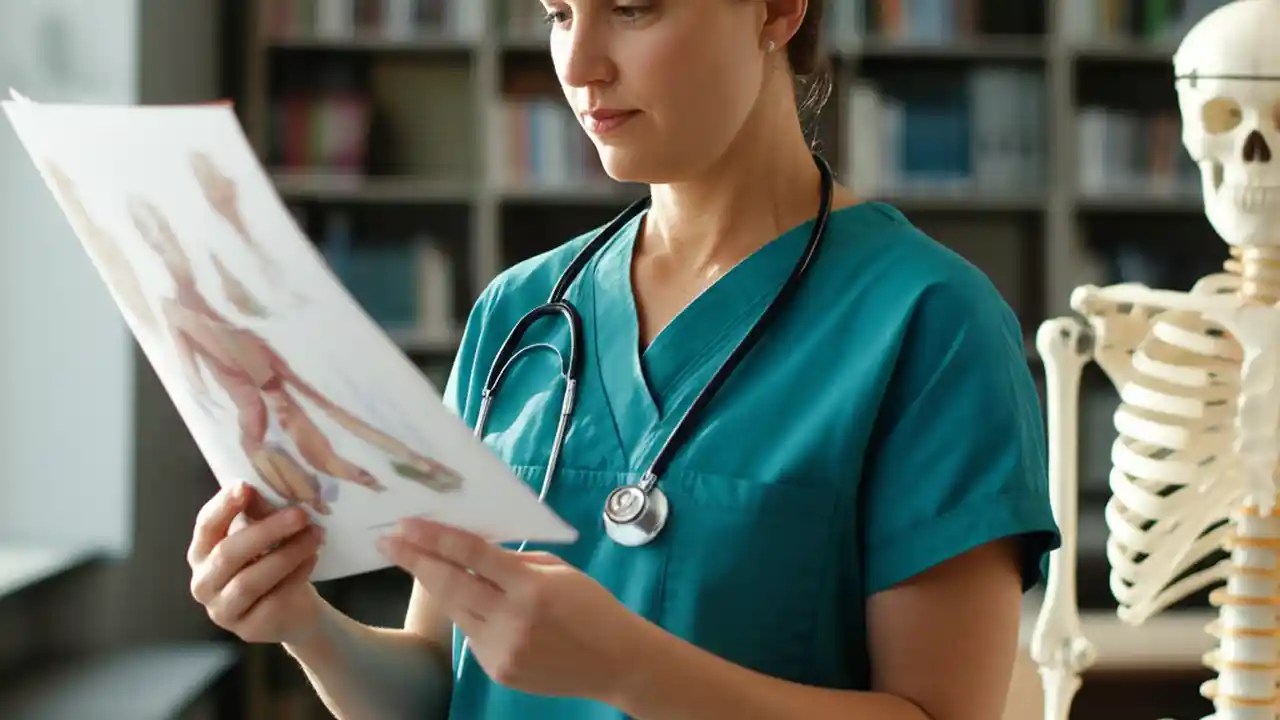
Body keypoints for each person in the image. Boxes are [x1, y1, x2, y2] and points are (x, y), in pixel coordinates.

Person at [186, 1, 1061, 718]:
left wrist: (631, 671)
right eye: (560, 13)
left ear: (779, 10)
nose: (578, 65)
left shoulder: (930, 324)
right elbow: (441, 688)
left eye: (632, 9)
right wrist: (303, 622)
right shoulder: (519, 314)